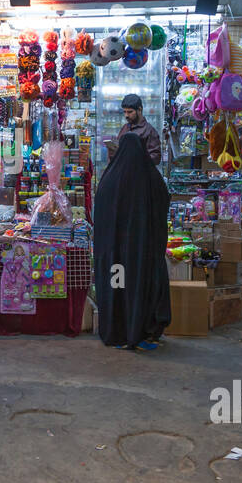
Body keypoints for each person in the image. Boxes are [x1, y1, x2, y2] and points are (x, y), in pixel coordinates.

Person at [92, 131, 171, 350]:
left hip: (114, 257)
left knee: (117, 287)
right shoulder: (151, 179)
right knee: (141, 288)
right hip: (142, 254)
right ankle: (143, 331)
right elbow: (163, 205)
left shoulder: (109, 179)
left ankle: (117, 331)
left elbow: (100, 217)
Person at [116, 93, 162, 165]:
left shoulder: (149, 131)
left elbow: (156, 158)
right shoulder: (125, 128)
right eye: (124, 112)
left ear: (139, 110)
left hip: (141, 175)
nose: (126, 115)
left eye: (130, 112)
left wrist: (136, 158)